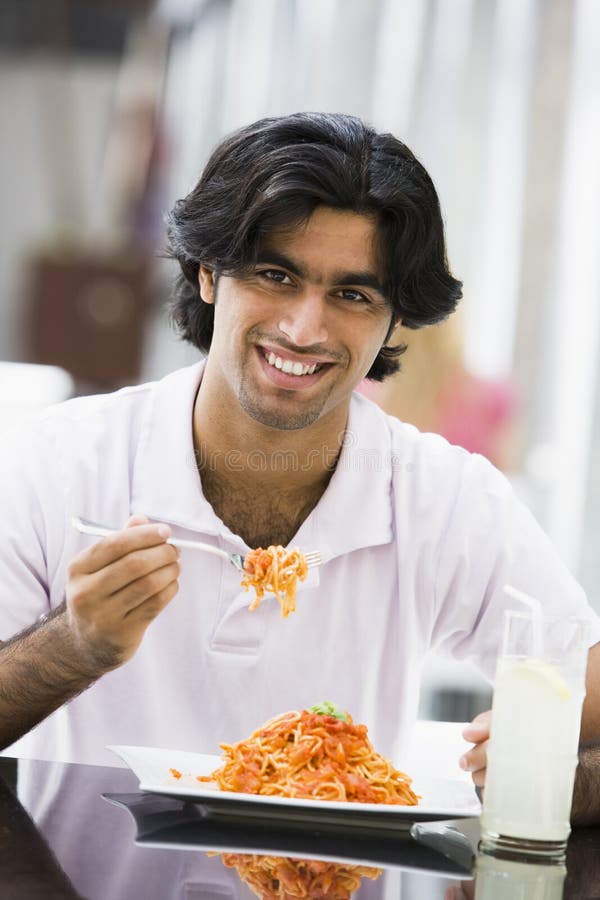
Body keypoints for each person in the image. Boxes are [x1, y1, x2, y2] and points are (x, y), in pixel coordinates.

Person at [1, 113, 600, 821]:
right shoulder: (57, 462)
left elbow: (584, 693)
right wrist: (75, 646)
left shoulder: (444, 499)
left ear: (395, 320)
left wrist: (557, 780)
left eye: (352, 294)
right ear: (208, 273)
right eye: (275, 275)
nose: (303, 329)